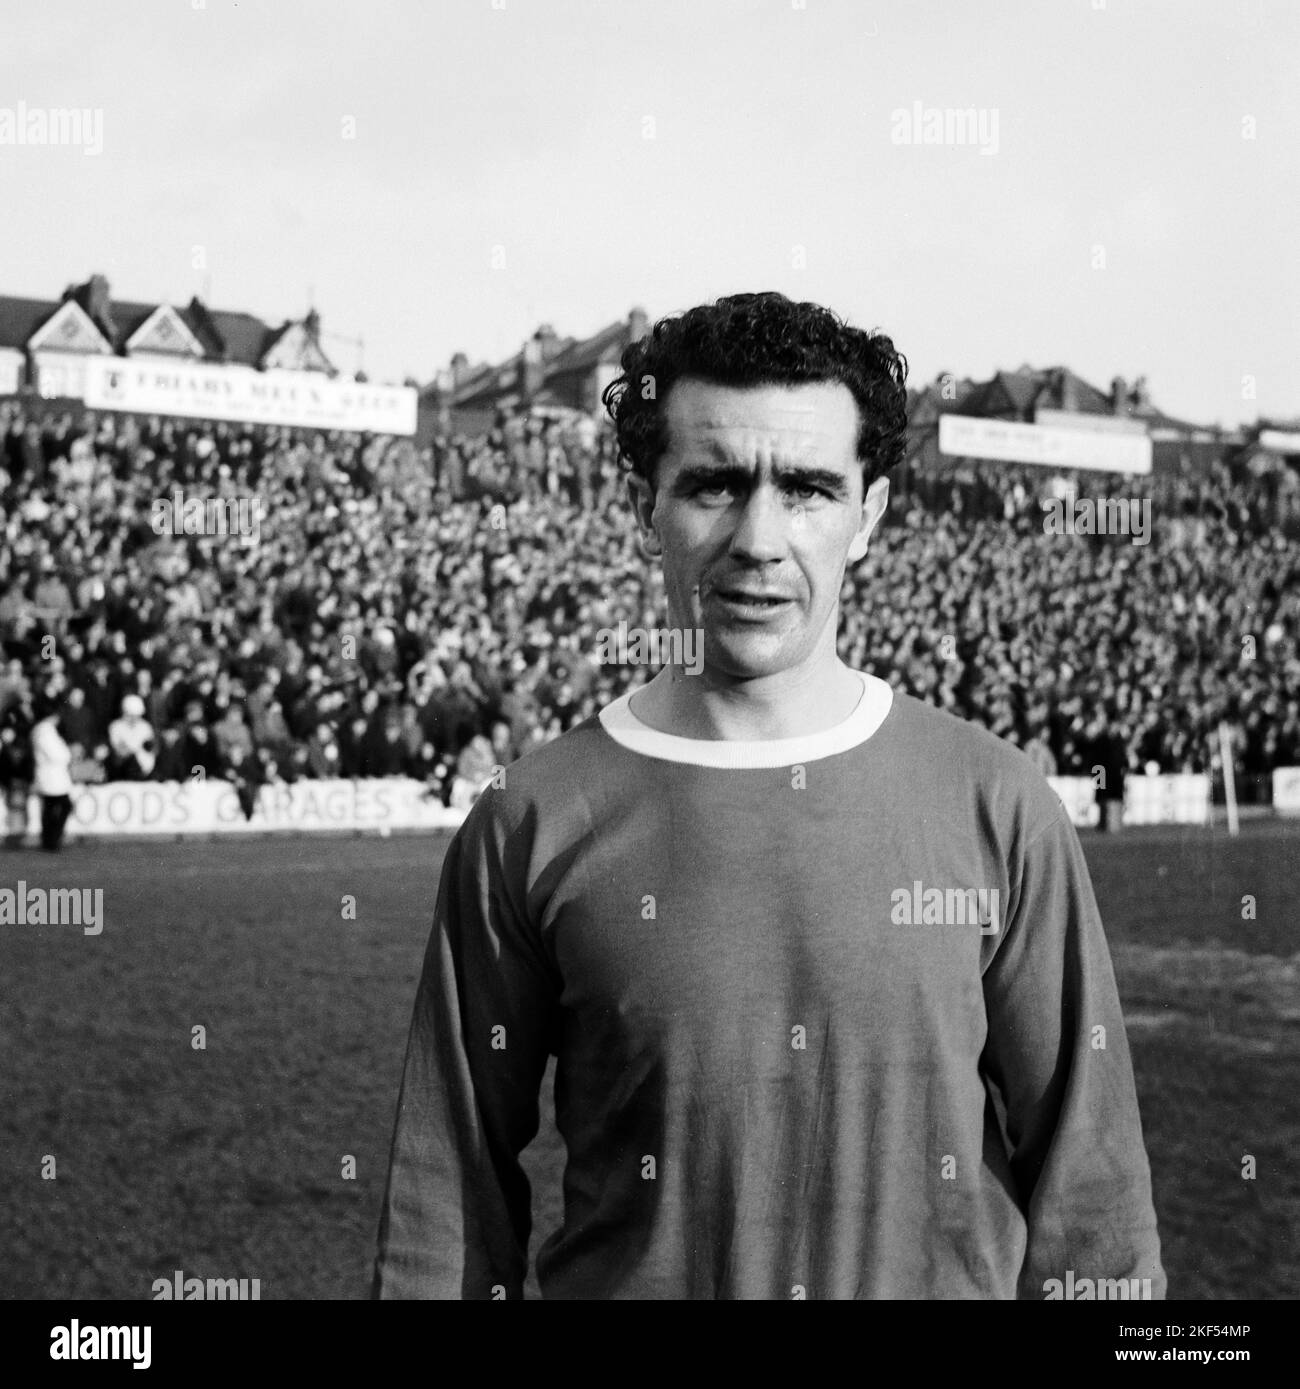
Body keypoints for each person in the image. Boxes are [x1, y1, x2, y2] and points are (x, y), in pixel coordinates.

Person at [372, 292, 1165, 1300]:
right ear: (646, 508)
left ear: (867, 516)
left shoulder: (999, 806)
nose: (758, 537)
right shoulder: (527, 821)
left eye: (806, 489)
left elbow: (1092, 1199)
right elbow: (445, 1209)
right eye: (714, 484)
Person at [31, 702, 75, 851]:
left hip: (51, 775)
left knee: (50, 807)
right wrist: (68, 754)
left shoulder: (41, 730)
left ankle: (49, 839)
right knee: (63, 805)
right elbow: (57, 755)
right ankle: (52, 838)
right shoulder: (45, 731)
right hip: (52, 776)